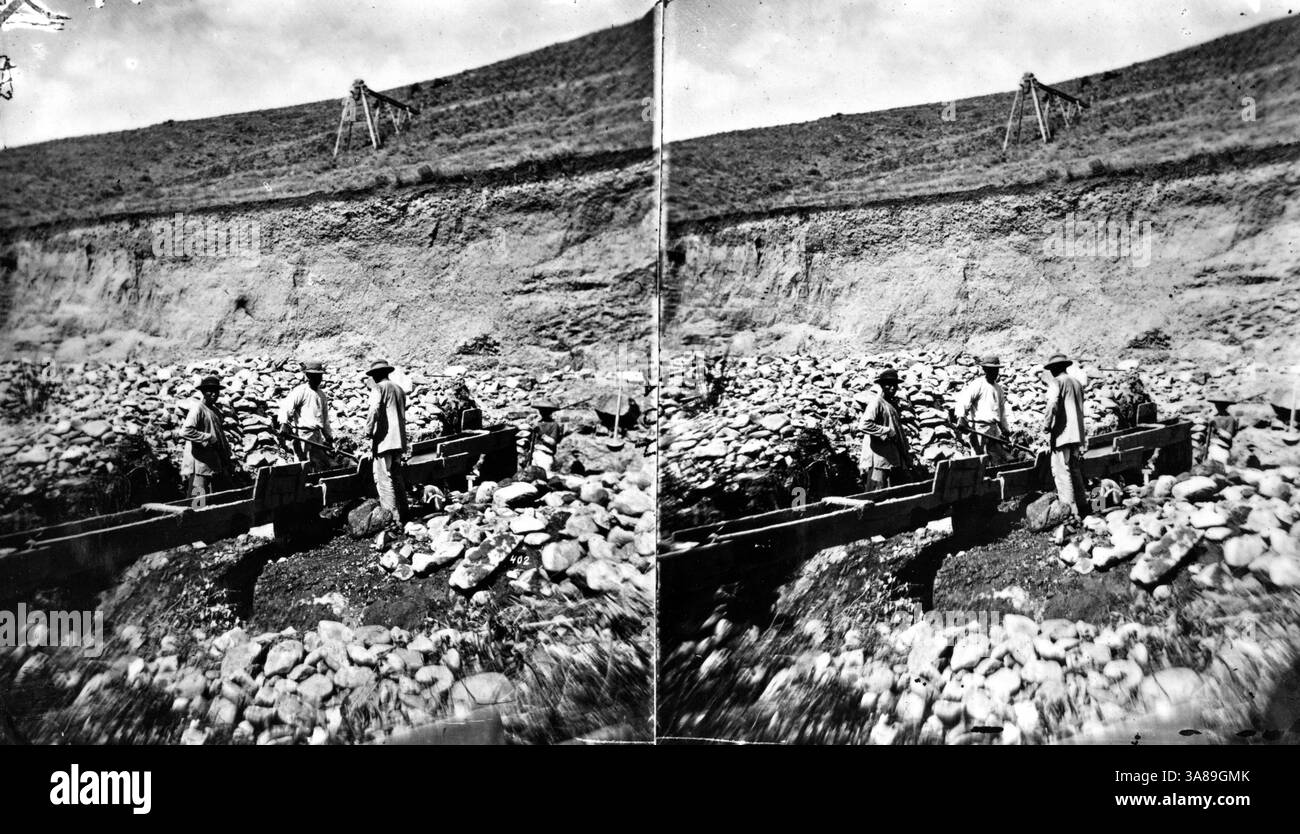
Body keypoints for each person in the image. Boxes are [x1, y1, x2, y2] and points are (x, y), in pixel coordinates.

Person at [1041, 353, 1088, 520]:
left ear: (1055, 369)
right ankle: (1083, 507)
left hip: (1062, 435)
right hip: (1077, 434)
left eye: (1052, 369)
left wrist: (1047, 425)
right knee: (1075, 470)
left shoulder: (1057, 382)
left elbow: (1052, 403)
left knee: (1062, 472)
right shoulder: (1076, 383)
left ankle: (1069, 512)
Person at [177, 374, 233, 508]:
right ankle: (195, 525)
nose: (213, 394)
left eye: (216, 391)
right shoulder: (198, 409)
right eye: (210, 391)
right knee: (198, 501)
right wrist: (207, 437)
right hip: (200, 464)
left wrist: (226, 457)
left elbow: (219, 437)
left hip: (214, 462)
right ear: (203, 392)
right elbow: (185, 431)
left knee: (215, 500)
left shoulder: (215, 411)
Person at [365, 359, 409, 524]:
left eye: (374, 375)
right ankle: (404, 513)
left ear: (377, 375)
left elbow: (374, 408)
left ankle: (390, 517)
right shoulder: (399, 389)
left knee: (384, 478)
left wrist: (368, 430)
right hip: (399, 440)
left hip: (385, 440)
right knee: (397, 476)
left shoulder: (379, 388)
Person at [857, 368, 912, 490]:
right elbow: (864, 424)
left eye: (894, 385)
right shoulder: (876, 403)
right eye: (888, 385)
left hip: (891, 458)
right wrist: (885, 431)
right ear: (882, 386)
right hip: (879, 459)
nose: (892, 388)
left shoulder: (890, 405)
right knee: (877, 493)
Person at [953, 354, 1012, 464]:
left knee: (996, 459)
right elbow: (964, 401)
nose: (994, 373)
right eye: (991, 370)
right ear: (985, 369)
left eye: (996, 370)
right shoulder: (978, 384)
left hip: (994, 429)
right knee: (980, 460)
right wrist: (961, 417)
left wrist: (1005, 429)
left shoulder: (998, 389)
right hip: (979, 428)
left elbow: (1002, 412)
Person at [275, 360, 333, 469]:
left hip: (317, 436)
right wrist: (283, 423)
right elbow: (286, 407)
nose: (318, 379)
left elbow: (325, 420)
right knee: (304, 466)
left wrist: (328, 437)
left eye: (320, 376)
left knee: (318, 466)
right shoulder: (301, 391)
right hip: (303, 435)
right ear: (308, 376)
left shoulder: (322, 395)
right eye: (314, 376)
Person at [528, 399, 565, 473]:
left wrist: (541, 434)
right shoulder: (537, 423)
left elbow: (553, 442)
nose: (542, 412)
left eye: (545, 410)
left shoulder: (554, 424)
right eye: (541, 410)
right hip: (535, 453)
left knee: (545, 477)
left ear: (549, 412)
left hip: (545, 455)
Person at [1204, 391, 1239, 467]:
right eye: (1217, 404)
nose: (1218, 406)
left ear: (1226, 406)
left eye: (1221, 405)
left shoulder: (1230, 419)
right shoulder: (1213, 417)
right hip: (1211, 447)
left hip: (1222, 449)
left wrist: (1217, 429)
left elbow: (1229, 436)